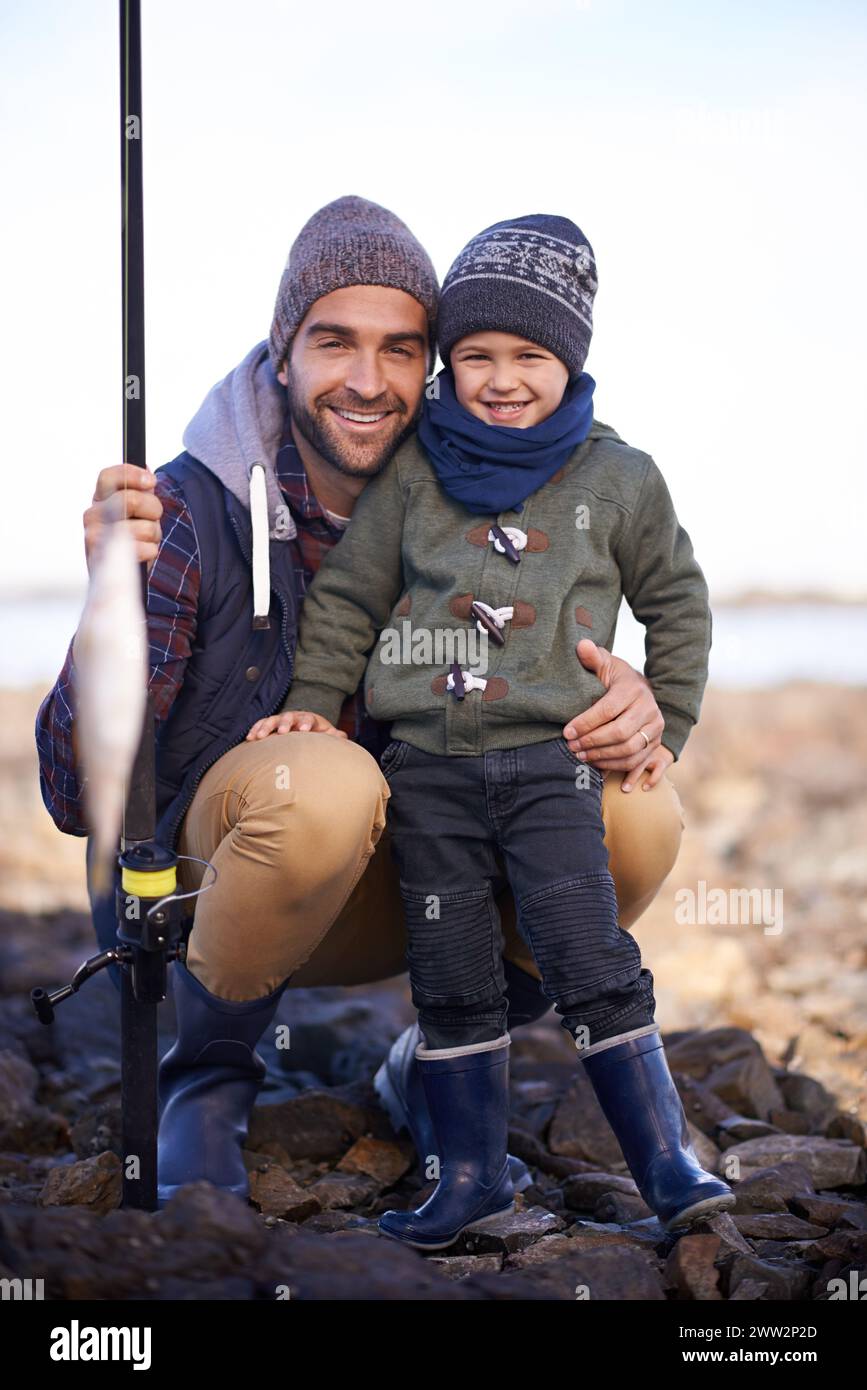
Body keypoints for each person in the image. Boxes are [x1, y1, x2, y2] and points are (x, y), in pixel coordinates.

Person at [36, 197, 685, 1210]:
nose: (368, 381)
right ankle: (204, 1082)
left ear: (431, 364)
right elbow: (80, 791)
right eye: (333, 341)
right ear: (283, 350)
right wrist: (107, 605)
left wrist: (632, 701)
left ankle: (442, 1059)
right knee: (323, 780)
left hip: (425, 871)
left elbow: (567, 670)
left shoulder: (489, 496)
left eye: (402, 348)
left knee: (636, 809)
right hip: (215, 888)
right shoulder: (189, 506)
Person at [249, 212, 734, 1248]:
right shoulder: (416, 473)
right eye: (475, 355)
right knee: (454, 974)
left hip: (552, 765)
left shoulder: (621, 477)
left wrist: (670, 722)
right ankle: (468, 1176)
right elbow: (349, 600)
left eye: (531, 355)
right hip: (430, 772)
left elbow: (680, 604)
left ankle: (668, 1164)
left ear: (572, 361)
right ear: (449, 365)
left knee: (587, 954)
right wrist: (310, 692)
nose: (502, 377)